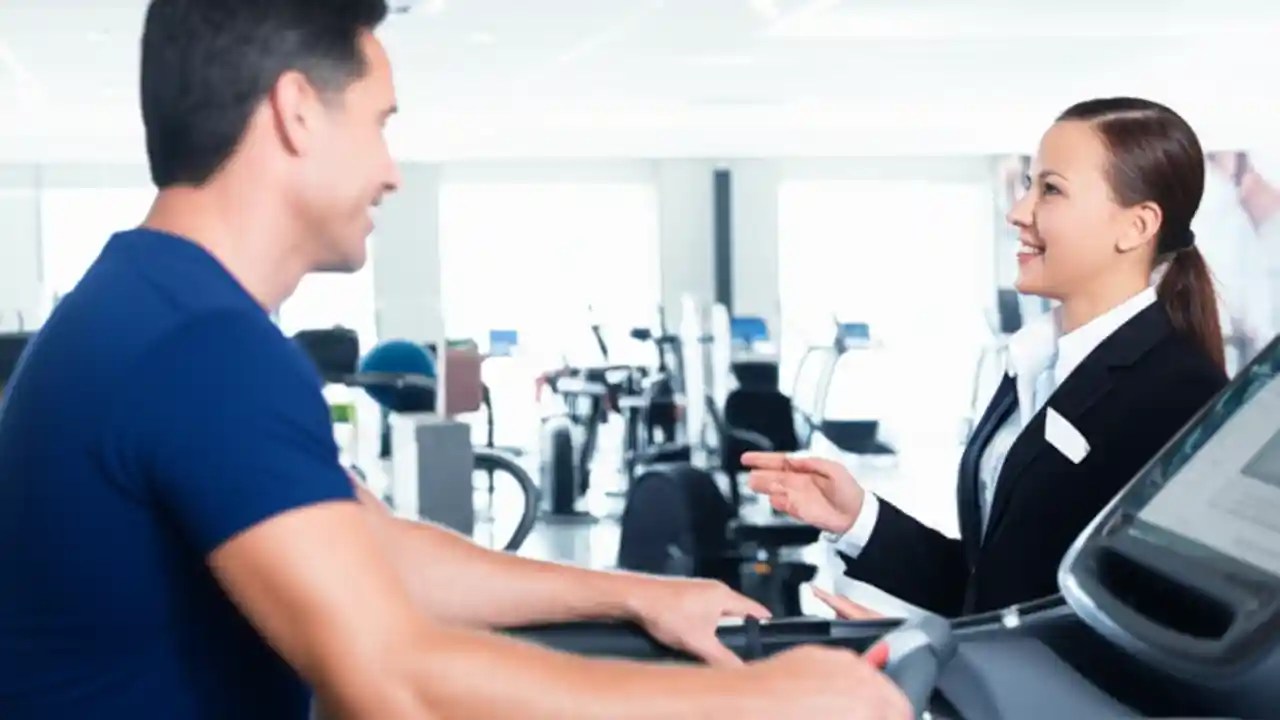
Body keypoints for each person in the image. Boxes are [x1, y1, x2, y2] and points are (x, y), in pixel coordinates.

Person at [0, 2, 910, 719]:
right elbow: (392, 679)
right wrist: (749, 705)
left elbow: (378, 555)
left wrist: (639, 596)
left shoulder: (142, 306)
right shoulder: (204, 347)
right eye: (380, 123)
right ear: (297, 112)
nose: (391, 171)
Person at [747, 97, 1230, 619]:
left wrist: (944, 656)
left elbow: (1142, 632)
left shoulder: (1181, 397)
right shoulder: (1033, 366)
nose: (1018, 213)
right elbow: (993, 583)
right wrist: (858, 517)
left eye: (1051, 190)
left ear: (1136, 227)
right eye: (1029, 185)